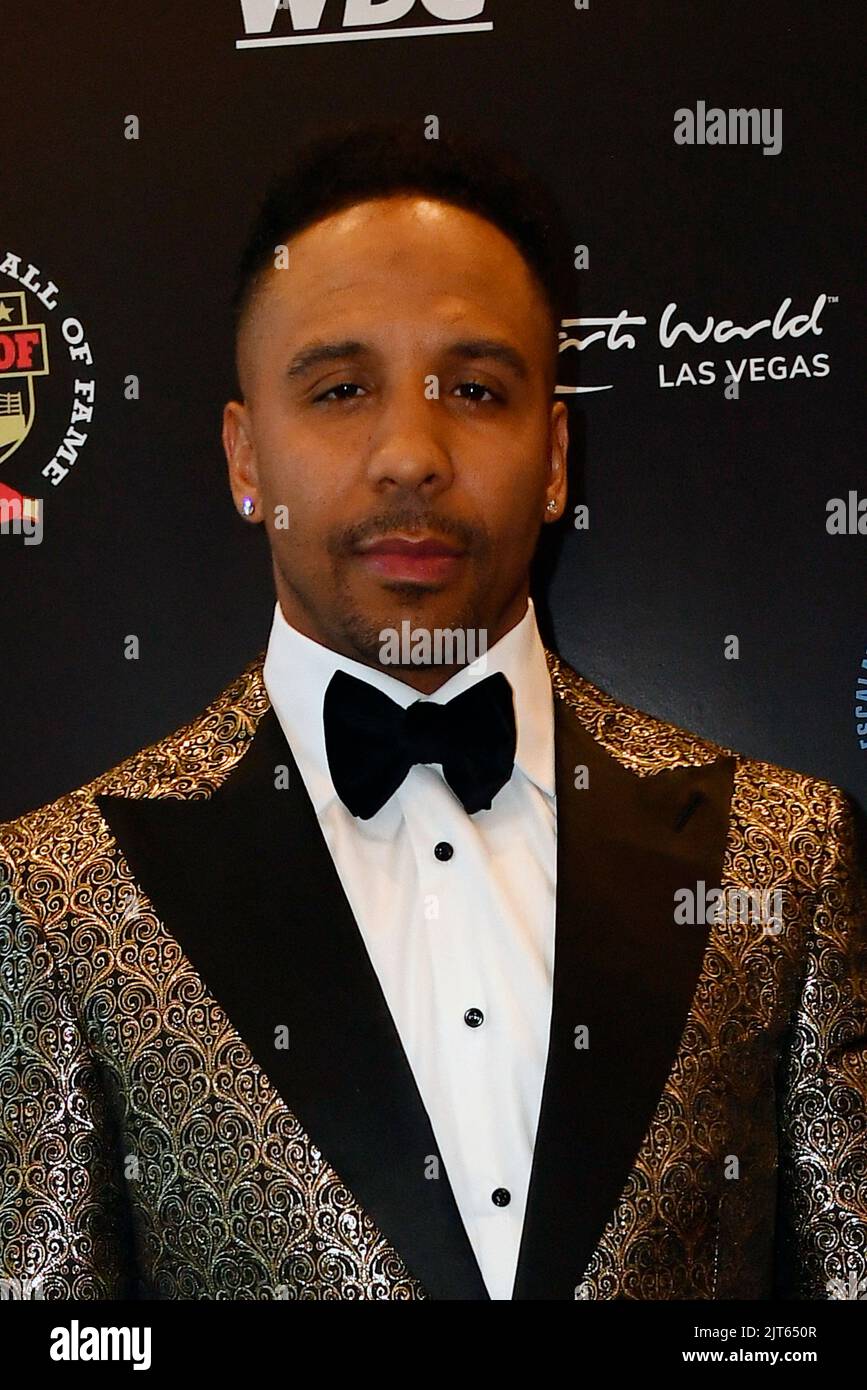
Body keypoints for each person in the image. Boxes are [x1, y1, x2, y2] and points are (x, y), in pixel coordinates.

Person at [1, 119, 865, 1302]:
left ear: (554, 455)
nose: (411, 452)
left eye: (474, 386)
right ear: (245, 459)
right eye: (343, 387)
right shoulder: (61, 893)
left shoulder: (785, 849)